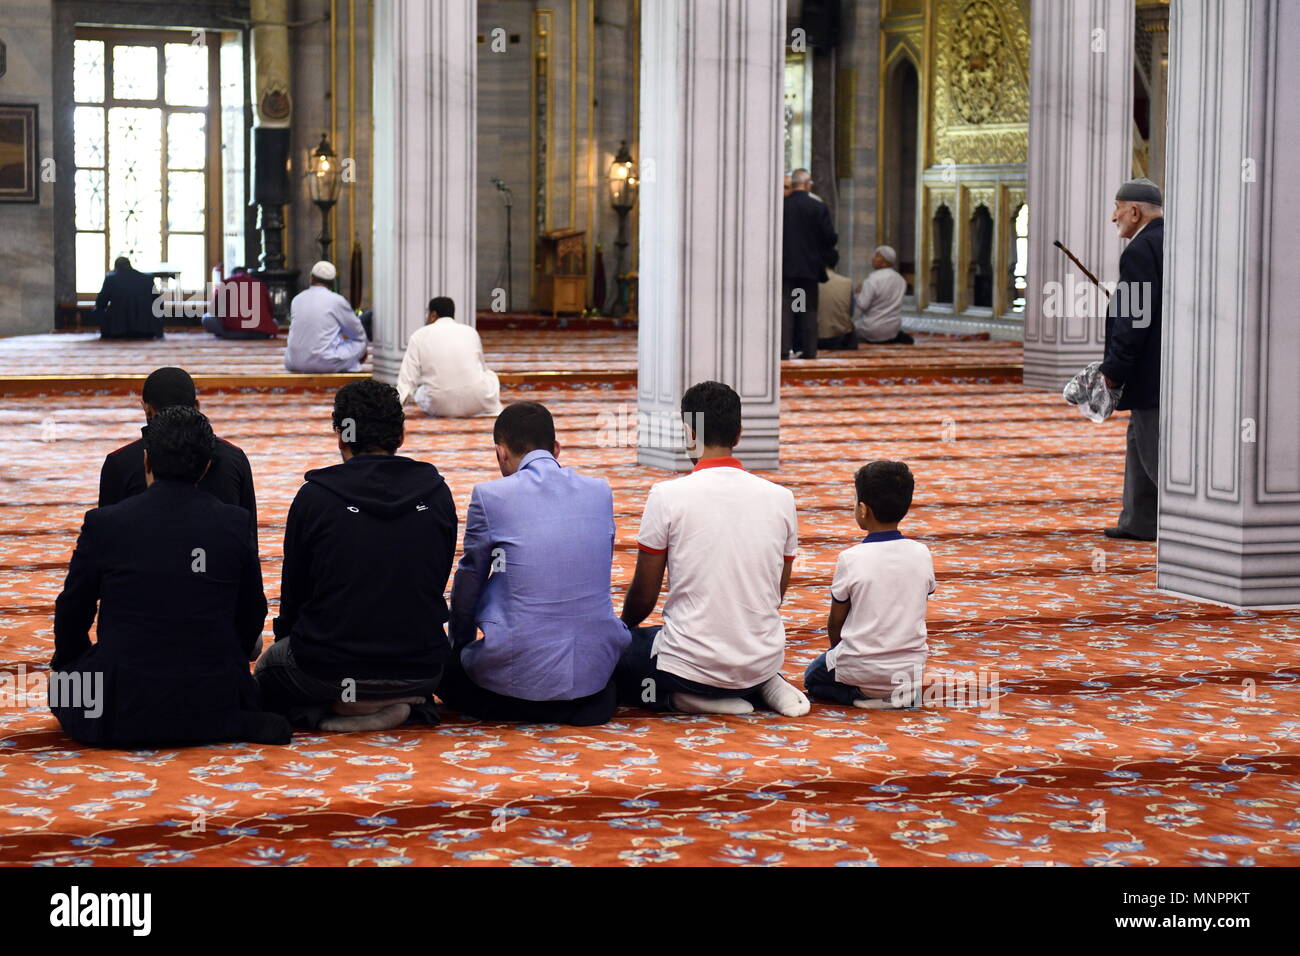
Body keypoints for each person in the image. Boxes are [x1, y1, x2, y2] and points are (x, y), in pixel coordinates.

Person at [51, 405, 289, 748]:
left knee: (62, 688)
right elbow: (252, 611)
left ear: (147, 462)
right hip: (213, 697)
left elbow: (73, 610)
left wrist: (73, 663)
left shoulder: (107, 523)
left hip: (121, 709)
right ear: (207, 466)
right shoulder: (232, 524)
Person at [255, 380, 456, 732]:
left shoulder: (315, 498)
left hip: (327, 673)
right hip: (420, 672)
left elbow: (294, 598)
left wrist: (295, 645)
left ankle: (334, 713)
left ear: (341, 435)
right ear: (400, 435)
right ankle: (396, 706)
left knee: (267, 671)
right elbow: (434, 580)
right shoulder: (438, 493)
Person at [616, 381, 810, 717]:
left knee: (611, 658)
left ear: (689, 433)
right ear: (738, 434)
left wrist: (620, 629)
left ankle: (680, 699)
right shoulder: (782, 498)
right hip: (759, 658)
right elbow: (775, 594)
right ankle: (765, 681)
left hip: (690, 668)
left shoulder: (667, 495)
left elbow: (644, 598)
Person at [439, 402, 631, 725]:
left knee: (438, 667)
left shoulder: (490, 496)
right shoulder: (600, 491)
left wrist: (459, 646)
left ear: (500, 452)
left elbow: (469, 580)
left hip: (509, 692)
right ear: (556, 448)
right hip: (592, 685)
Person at [804, 461, 935, 709]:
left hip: (860, 667)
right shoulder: (921, 552)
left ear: (863, 509)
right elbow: (918, 605)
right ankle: (899, 695)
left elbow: (835, 623)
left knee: (813, 678)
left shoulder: (851, 558)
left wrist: (838, 654)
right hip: (910, 670)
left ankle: (859, 698)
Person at [98, 367, 258, 546]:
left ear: (147, 410)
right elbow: (249, 543)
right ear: (196, 406)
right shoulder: (233, 458)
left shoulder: (120, 462)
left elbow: (106, 541)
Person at [1101, 177, 1165, 542]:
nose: (1114, 218)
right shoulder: (1174, 240)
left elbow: (1134, 319)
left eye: (1118, 209)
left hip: (1147, 372)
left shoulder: (1140, 251)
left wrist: (1114, 368)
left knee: (1153, 447)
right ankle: (1139, 521)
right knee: (1137, 441)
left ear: (1135, 211)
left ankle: (1183, 526)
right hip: (1170, 367)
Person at [395, 296, 503, 418]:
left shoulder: (419, 335)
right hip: (478, 402)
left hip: (440, 406)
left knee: (420, 393)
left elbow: (408, 380)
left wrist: (394, 406)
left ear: (433, 315)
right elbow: (482, 368)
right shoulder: (470, 332)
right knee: (490, 375)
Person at [782, 168, 838, 360]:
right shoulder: (817, 207)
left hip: (786, 267)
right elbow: (829, 238)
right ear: (807, 184)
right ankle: (807, 349)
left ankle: (783, 349)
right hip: (808, 268)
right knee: (805, 307)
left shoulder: (782, 205)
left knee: (787, 307)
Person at [283, 261, 368, 372]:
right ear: (333, 283)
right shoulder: (337, 300)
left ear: (311, 278)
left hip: (293, 362)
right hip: (325, 363)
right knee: (360, 342)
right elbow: (357, 333)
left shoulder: (297, 299)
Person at [853, 246, 912, 345]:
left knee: (850, 331)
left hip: (871, 329)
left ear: (884, 261)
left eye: (877, 256)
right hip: (893, 329)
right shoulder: (901, 280)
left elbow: (863, 305)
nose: (873, 258)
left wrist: (858, 293)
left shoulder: (872, 280)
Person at [93, 256, 162, 340]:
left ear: (116, 267)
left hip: (118, 330)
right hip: (146, 329)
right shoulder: (147, 278)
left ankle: (106, 332)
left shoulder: (111, 279)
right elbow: (158, 301)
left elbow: (100, 303)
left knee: (98, 310)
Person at [201, 267, 278, 339]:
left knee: (206, 318)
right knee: (275, 321)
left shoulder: (225, 283)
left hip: (231, 332)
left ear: (232, 275)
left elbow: (214, 310)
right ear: (248, 275)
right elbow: (270, 312)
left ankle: (223, 334)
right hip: (260, 333)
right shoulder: (261, 285)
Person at [816, 267, 857, 351]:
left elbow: (799, 312)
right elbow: (851, 312)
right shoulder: (847, 283)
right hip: (842, 340)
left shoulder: (806, 285)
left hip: (815, 340)